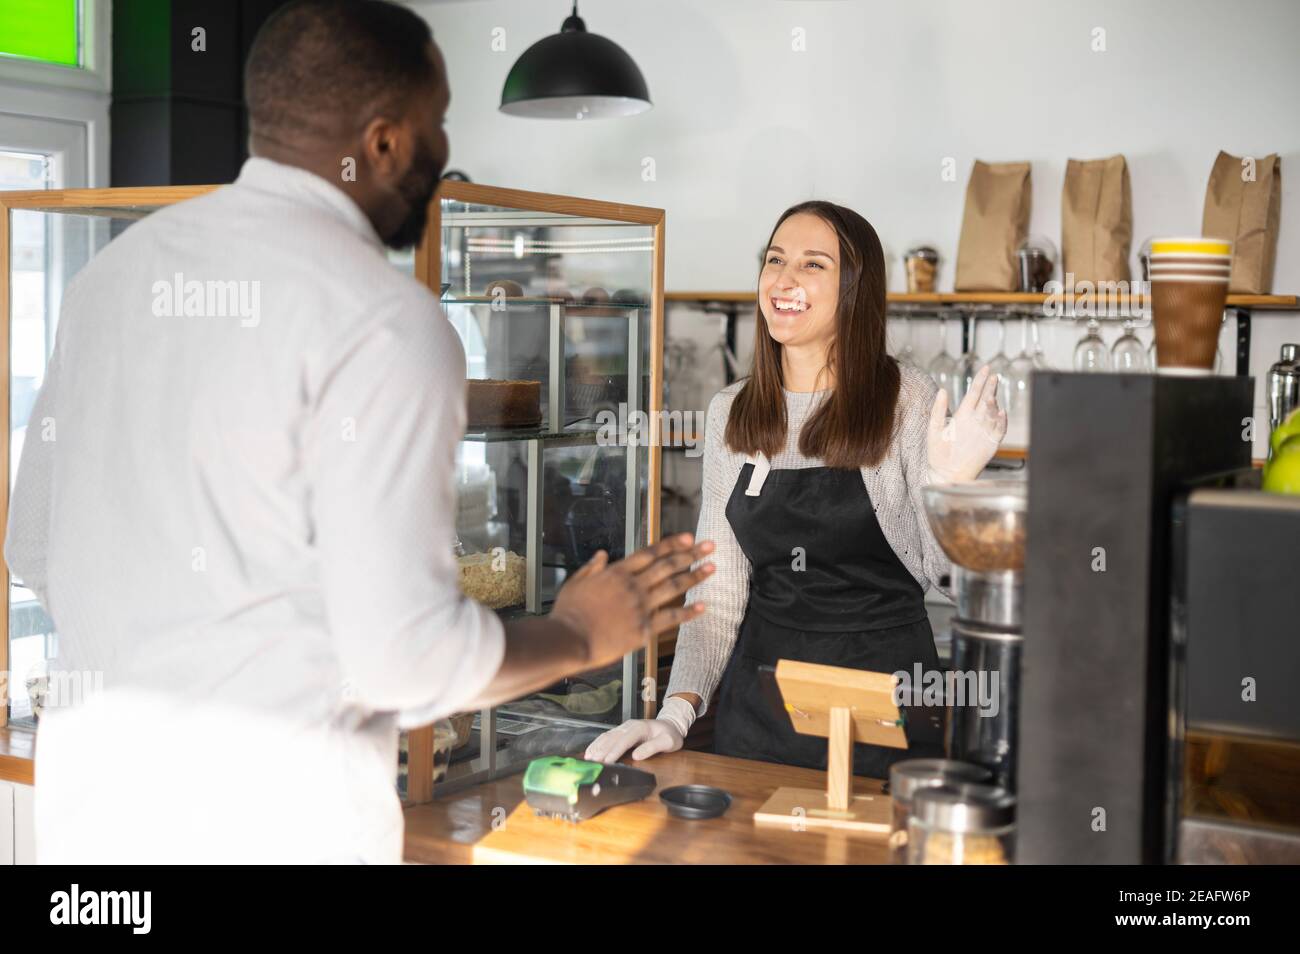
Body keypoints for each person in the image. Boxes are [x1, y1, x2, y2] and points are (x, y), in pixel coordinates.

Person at [4, 0, 712, 864]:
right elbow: (403, 663)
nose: (445, 149)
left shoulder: (107, 281)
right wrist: (580, 633)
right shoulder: (383, 322)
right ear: (383, 142)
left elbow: (35, 548)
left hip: (94, 829)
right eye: (437, 121)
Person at [587, 201, 1004, 776]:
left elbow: (948, 578)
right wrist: (676, 713)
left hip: (885, 702)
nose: (784, 279)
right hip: (760, 712)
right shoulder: (731, 410)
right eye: (776, 259)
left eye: (813, 265)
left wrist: (955, 488)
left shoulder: (905, 397)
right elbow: (719, 593)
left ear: (855, 288)